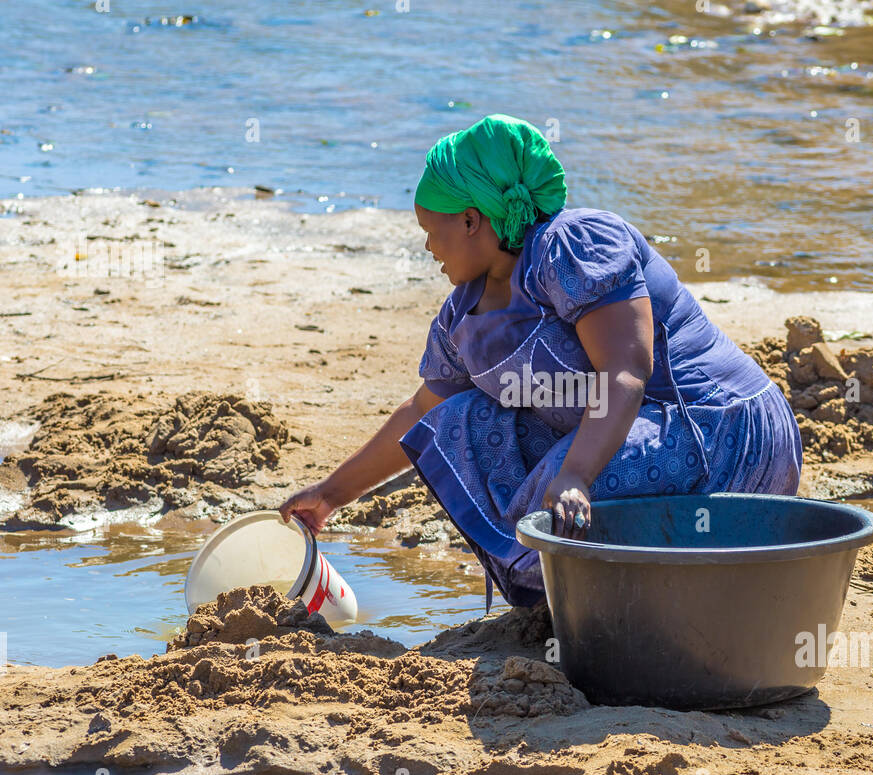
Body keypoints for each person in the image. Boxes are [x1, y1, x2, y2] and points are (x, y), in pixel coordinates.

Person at [281, 114, 802, 611]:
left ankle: (598, 592)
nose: (427, 247)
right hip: (633, 435)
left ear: (470, 220)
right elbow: (422, 408)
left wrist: (575, 473)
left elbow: (626, 372)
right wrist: (330, 494)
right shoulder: (461, 315)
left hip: (723, 433)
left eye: (431, 229)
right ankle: (586, 595)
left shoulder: (571, 246)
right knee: (455, 421)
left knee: (551, 496)